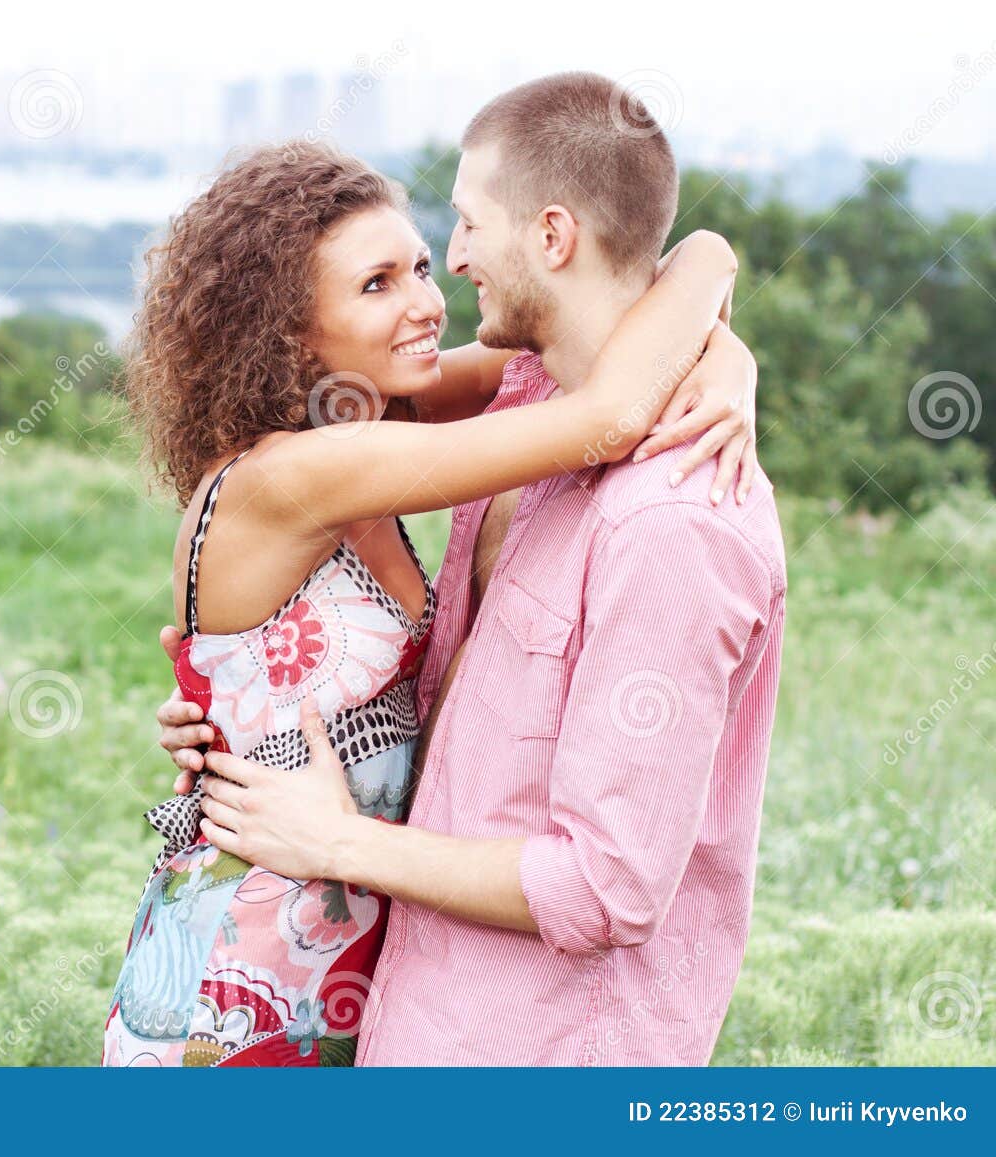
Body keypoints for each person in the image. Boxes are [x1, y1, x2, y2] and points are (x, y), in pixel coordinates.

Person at [155, 72, 786, 1065]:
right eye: (377, 284)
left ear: (548, 235)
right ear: (286, 326)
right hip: (261, 957)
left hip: (367, 952)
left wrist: (720, 333)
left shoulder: (388, 409)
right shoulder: (303, 468)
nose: (432, 289)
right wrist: (708, 259)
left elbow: (597, 368)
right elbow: (602, 416)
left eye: (424, 257)